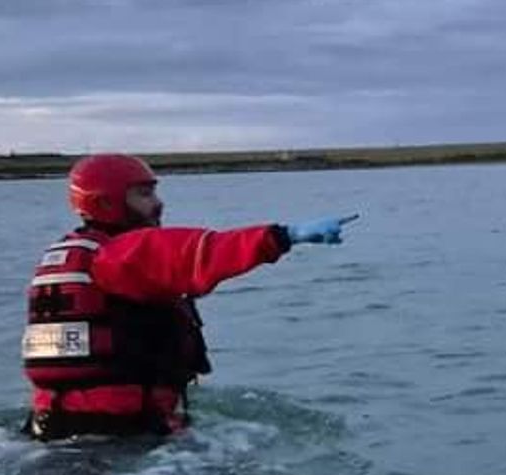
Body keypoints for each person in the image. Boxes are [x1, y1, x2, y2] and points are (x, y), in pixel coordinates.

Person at [22, 153, 357, 440]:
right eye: (144, 194)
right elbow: (207, 252)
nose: (158, 203)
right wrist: (286, 236)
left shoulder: (68, 253)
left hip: (50, 424)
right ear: (106, 203)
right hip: (126, 429)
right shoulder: (122, 255)